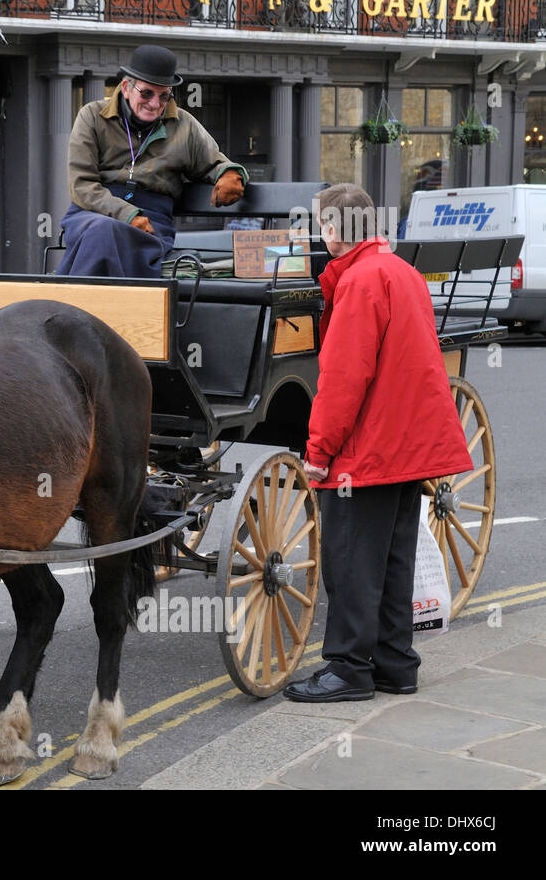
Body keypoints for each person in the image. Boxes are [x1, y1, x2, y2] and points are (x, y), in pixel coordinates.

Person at [283, 183, 474, 703]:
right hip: (408, 445)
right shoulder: (402, 273)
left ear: (332, 229)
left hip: (369, 449)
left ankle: (348, 669)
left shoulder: (361, 282)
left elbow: (343, 379)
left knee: (351, 562)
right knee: (392, 560)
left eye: (321, 225)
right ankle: (395, 665)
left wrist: (318, 453)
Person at [57, 45, 247, 279]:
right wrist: (126, 214)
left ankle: (81, 304)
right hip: (93, 214)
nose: (155, 103)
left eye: (164, 96)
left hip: (153, 221)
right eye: (147, 93)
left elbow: (215, 163)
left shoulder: (184, 125)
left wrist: (230, 175)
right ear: (126, 88)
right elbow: (81, 185)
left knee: (105, 235)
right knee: (102, 231)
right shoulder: (92, 116)